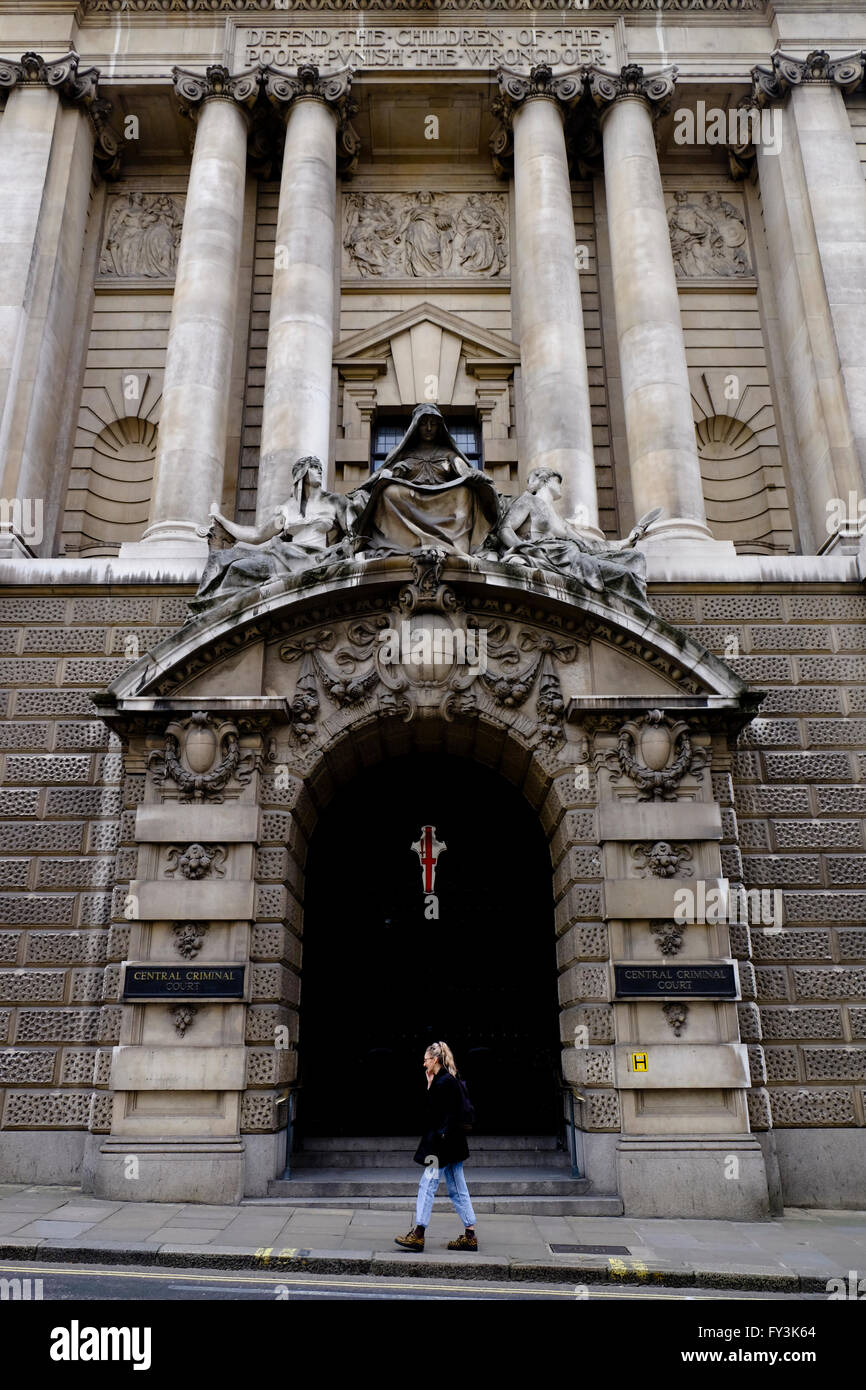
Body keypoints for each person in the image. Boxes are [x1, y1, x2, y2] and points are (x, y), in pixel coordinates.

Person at [190, 455, 351, 612]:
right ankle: (213, 613)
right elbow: (257, 535)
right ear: (301, 473)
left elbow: (352, 534)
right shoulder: (288, 508)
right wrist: (223, 521)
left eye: (319, 467)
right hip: (284, 558)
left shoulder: (335, 501)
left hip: (318, 559)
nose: (319, 471)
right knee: (235, 566)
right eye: (314, 467)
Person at [352, 403, 499, 556]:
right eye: (423, 424)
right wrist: (395, 472)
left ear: (439, 427)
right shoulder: (403, 453)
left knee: (465, 492)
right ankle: (406, 543)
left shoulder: (447, 453)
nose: (428, 428)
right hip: (411, 498)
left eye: (433, 424)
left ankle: (456, 546)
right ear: (416, 426)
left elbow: (463, 469)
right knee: (388, 492)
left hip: (443, 498)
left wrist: (475, 474)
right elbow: (383, 473)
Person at [394, 1041, 477, 1253]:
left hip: (440, 1147)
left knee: (427, 1185)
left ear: (435, 1060)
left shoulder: (443, 1083)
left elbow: (431, 1114)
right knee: (458, 1188)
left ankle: (418, 1234)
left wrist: (429, 1087)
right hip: (452, 1145)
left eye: (426, 1060)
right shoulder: (450, 1079)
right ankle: (470, 1235)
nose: (424, 1065)